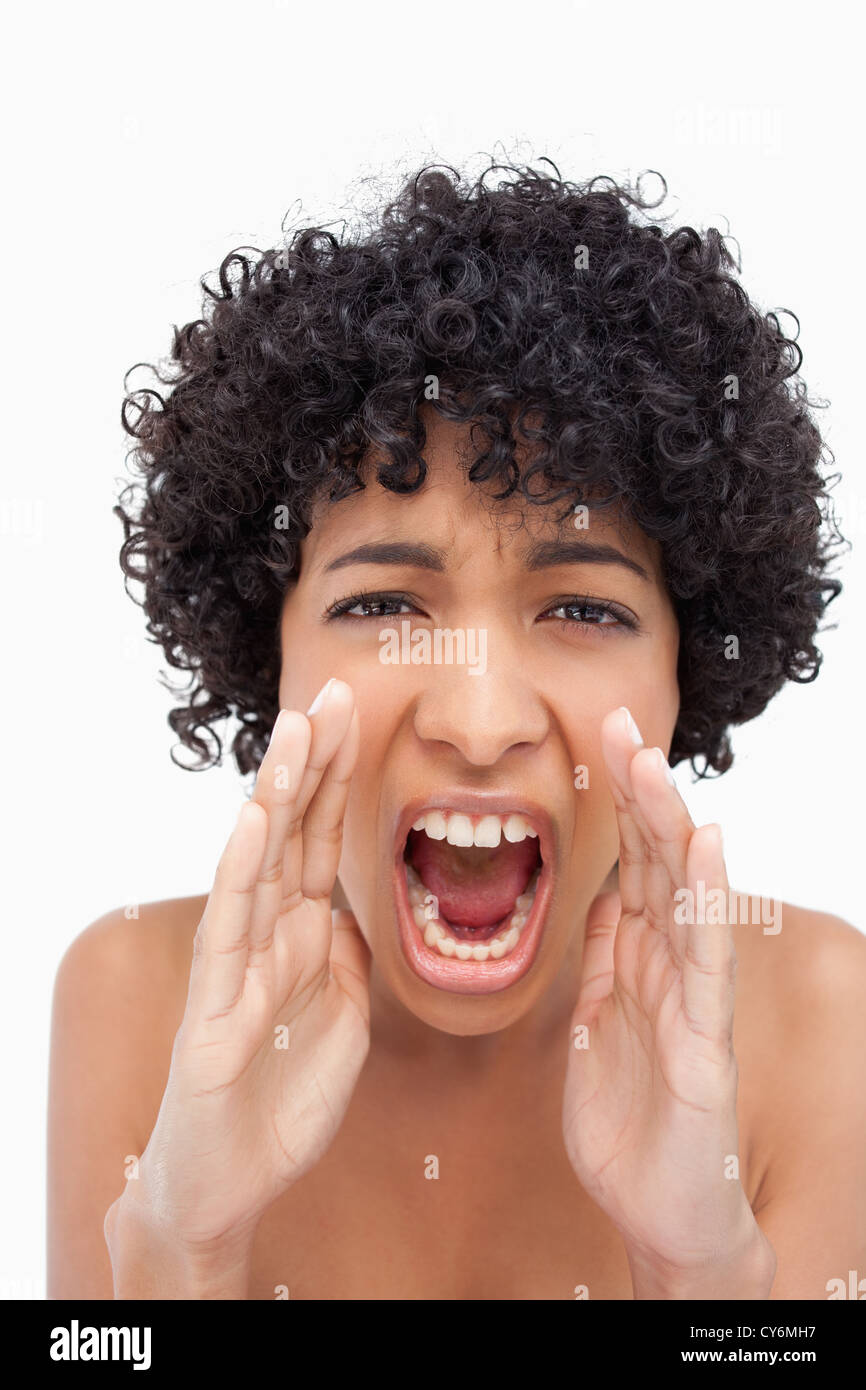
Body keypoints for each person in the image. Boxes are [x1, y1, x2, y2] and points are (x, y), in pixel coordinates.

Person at [47, 162, 866, 1300]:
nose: (479, 721)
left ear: (687, 666)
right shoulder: (135, 999)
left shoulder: (827, 1015)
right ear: (266, 649)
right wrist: (180, 1247)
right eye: (381, 606)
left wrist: (698, 1270)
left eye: (582, 609)